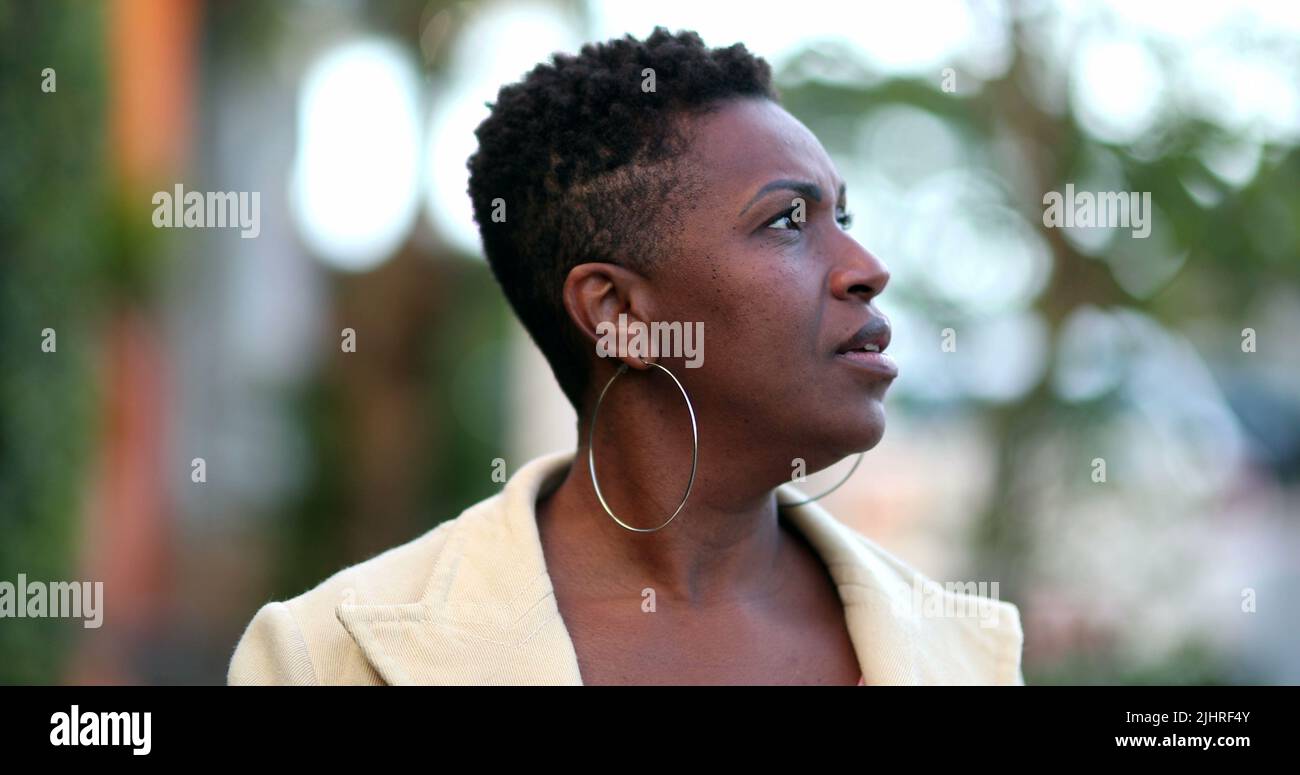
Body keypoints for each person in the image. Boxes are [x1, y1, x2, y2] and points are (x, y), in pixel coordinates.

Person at [228, 26, 1024, 686]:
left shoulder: (966, 655)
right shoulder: (330, 657)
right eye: (789, 220)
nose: (866, 265)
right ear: (619, 312)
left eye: (843, 215)